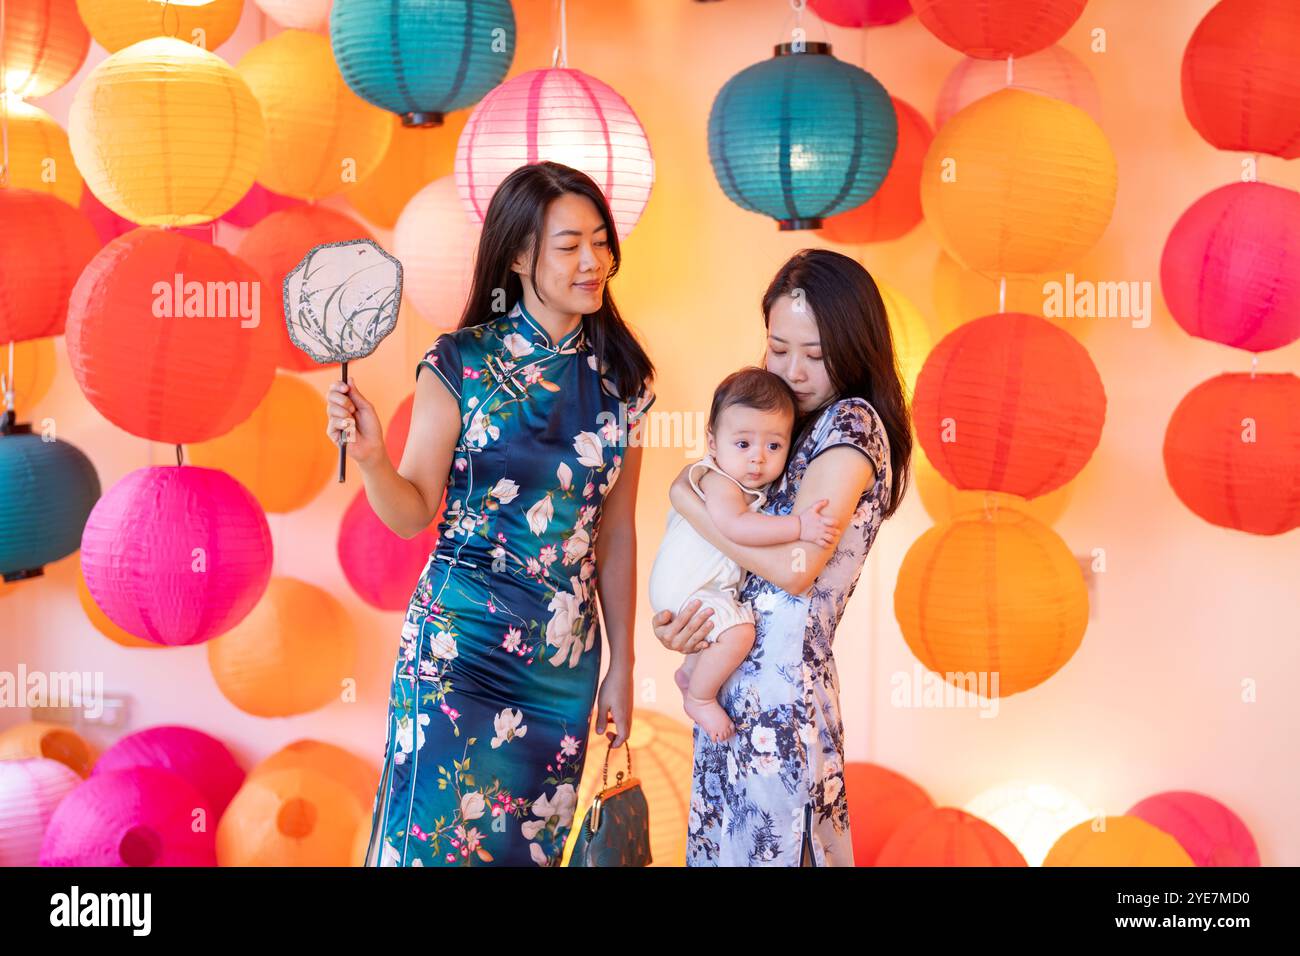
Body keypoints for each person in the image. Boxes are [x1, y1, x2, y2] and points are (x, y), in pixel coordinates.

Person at [328, 161, 655, 867]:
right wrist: (372, 456)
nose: (593, 261)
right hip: (458, 651)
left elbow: (616, 535)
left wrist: (622, 664)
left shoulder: (624, 381)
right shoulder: (460, 363)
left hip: (561, 665)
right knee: (434, 845)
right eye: (569, 246)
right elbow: (412, 514)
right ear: (517, 255)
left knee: (527, 852)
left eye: (600, 242)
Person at [651, 248, 912, 866]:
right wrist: (691, 623)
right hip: (734, 695)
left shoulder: (852, 423)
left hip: (783, 703)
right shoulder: (781, 426)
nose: (793, 370)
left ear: (853, 347)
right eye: (777, 348)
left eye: (816, 355)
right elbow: (744, 568)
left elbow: (797, 572)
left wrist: (692, 506)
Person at [647, 367, 839, 745]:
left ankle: (690, 673)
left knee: (723, 626)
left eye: (773, 446)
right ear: (713, 444)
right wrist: (798, 527)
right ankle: (700, 698)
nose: (758, 459)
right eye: (743, 444)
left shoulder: (733, 479)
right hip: (688, 589)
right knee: (739, 633)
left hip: (697, 587)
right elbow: (735, 527)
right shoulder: (719, 481)